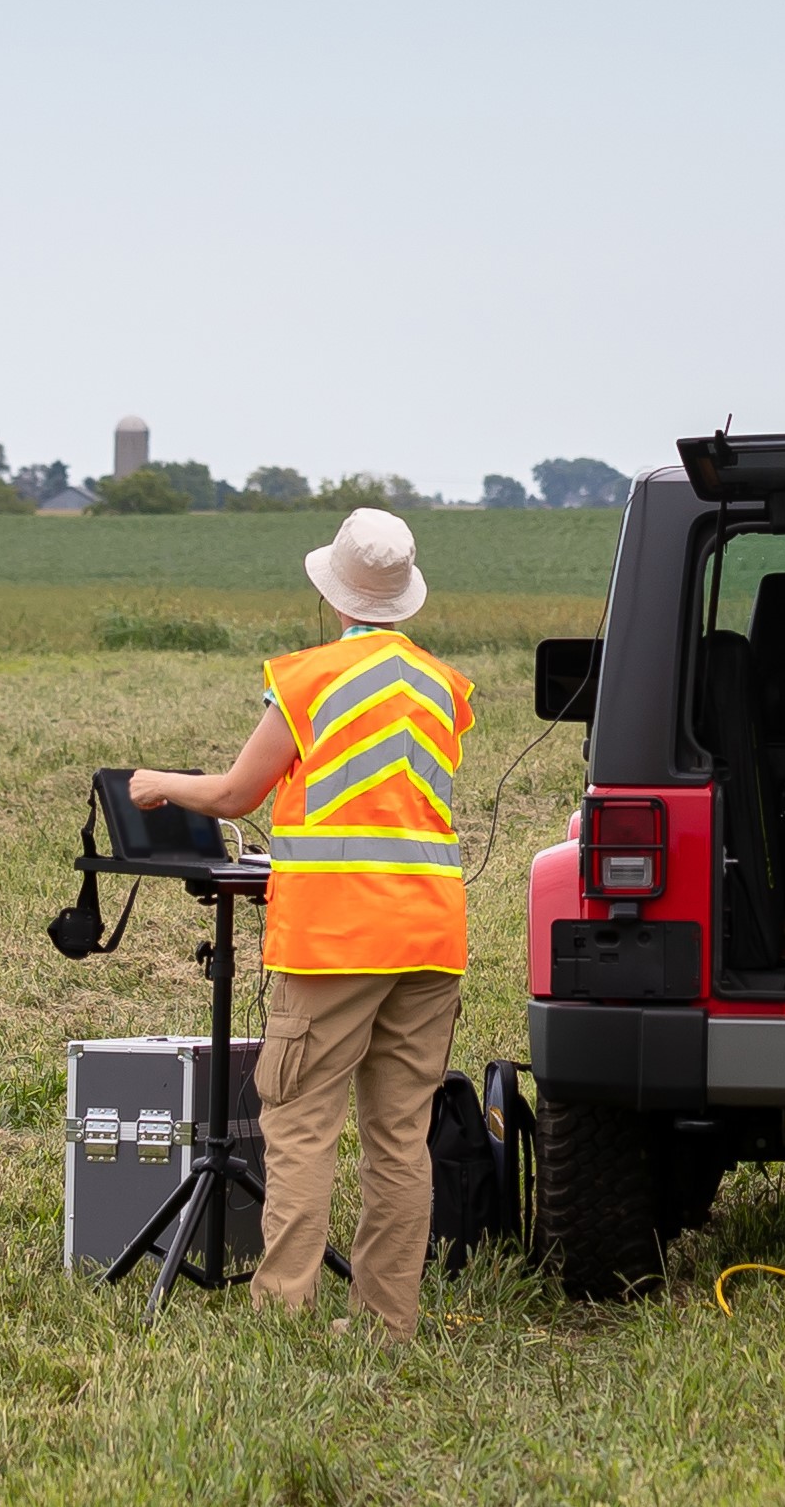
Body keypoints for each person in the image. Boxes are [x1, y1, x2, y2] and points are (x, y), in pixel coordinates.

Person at [128, 506, 476, 1339]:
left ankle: (285, 1310)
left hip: (335, 938)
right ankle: (388, 1320)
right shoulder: (441, 685)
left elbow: (236, 796)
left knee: (298, 1120)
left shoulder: (309, 677)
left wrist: (155, 783)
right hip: (430, 934)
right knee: (399, 1136)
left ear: (335, 592)